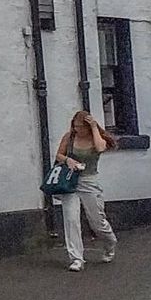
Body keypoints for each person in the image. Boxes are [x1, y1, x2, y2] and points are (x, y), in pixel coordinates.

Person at [53, 110, 117, 272]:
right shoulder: (69, 137)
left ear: (88, 127)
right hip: (70, 182)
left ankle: (110, 243)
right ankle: (76, 258)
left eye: (81, 127)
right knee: (71, 219)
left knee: (97, 221)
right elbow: (59, 154)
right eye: (75, 126)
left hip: (89, 181)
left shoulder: (94, 137)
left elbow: (100, 148)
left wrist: (95, 127)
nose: (78, 130)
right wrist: (68, 160)